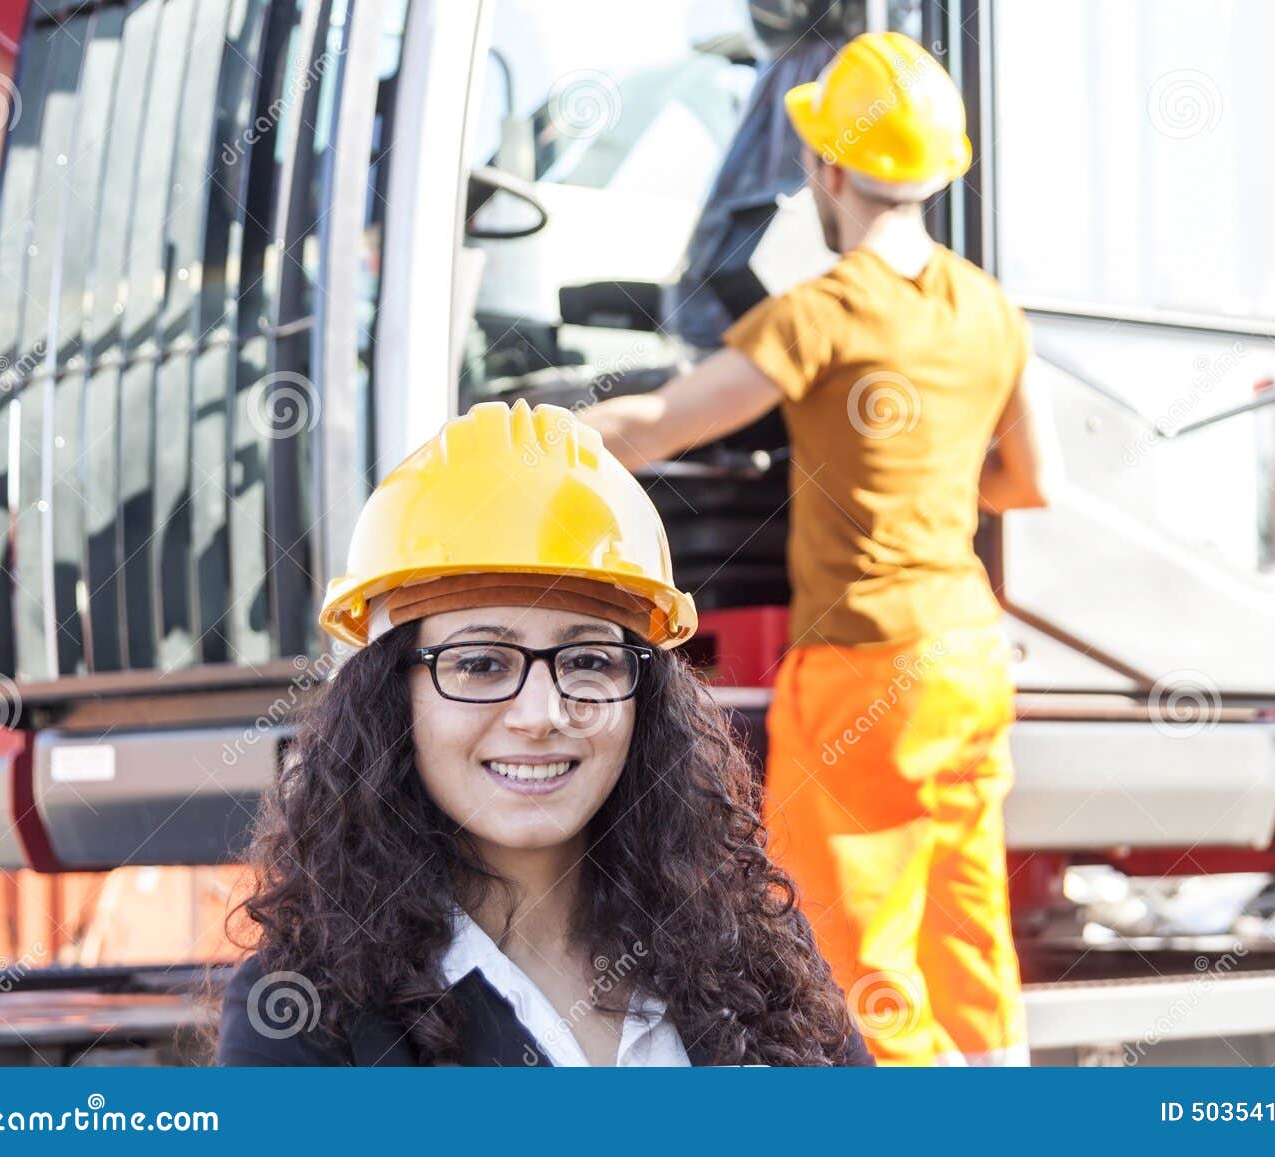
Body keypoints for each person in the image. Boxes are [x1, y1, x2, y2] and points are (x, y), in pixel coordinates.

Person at [579, 31, 1055, 1065]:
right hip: (970, 656)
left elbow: (663, 422)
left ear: (825, 167)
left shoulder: (824, 312)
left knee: (851, 946)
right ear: (936, 171)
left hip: (868, 665)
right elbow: (1033, 481)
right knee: (964, 925)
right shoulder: (989, 309)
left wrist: (536, 424)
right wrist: (923, 472)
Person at [216, 399, 872, 1067]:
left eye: (586, 660)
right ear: (390, 699)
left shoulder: (753, 953)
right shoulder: (303, 1013)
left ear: (646, 697)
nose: (541, 713)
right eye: (478, 663)